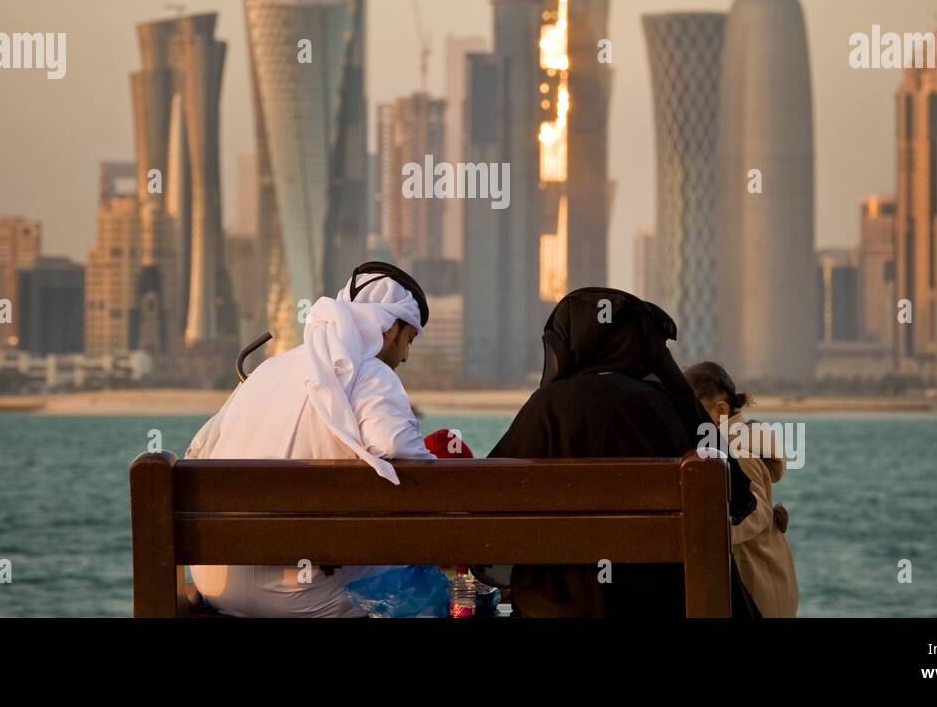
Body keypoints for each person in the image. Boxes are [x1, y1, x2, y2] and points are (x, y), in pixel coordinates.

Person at [486, 287, 762, 617]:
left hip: (570, 603)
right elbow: (736, 497)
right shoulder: (676, 405)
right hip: (669, 601)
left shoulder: (552, 406)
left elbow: (492, 499)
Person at [184, 261, 435, 617]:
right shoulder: (370, 372)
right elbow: (396, 447)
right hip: (297, 595)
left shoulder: (269, 368)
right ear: (391, 328)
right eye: (408, 340)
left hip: (217, 582)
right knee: (422, 581)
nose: (406, 356)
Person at [686, 361, 799, 618]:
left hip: (757, 587)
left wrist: (706, 535)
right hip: (768, 579)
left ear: (721, 410)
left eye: (695, 413)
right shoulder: (739, 447)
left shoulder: (739, 455)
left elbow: (753, 511)